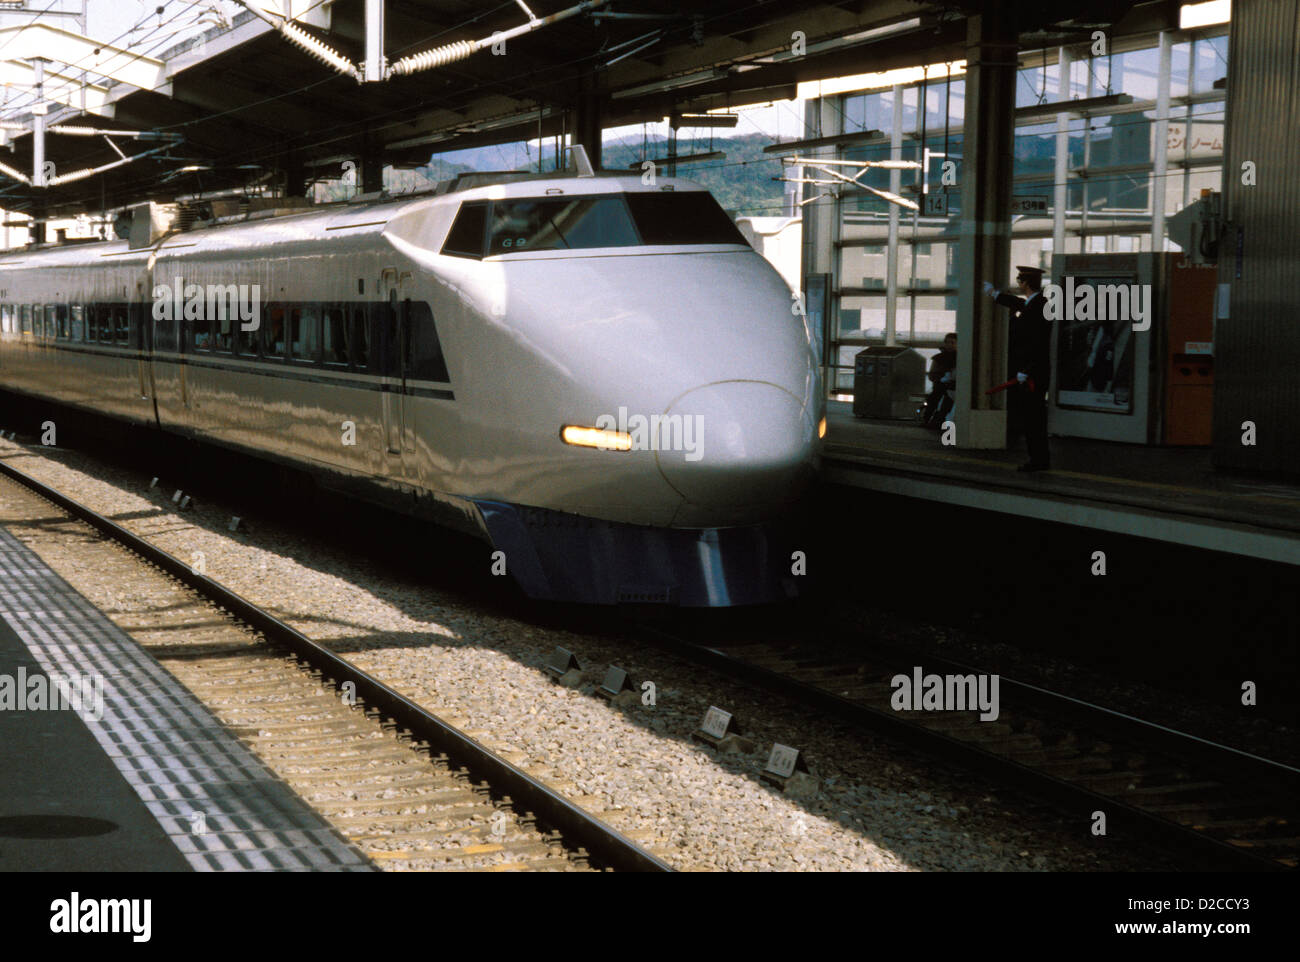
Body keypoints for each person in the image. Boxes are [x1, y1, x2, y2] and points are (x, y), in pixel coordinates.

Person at [983, 265, 1051, 472]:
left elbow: (1035, 343)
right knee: (1033, 417)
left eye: (1019, 281)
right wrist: (995, 294)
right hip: (1034, 371)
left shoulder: (1037, 307)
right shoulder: (1038, 304)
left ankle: (1038, 460)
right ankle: (1038, 458)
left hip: (1032, 373)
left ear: (1024, 283)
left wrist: (1026, 369)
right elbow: (1020, 303)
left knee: (1033, 418)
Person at [923, 332, 957, 428]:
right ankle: (936, 421)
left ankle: (931, 420)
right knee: (940, 402)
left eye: (952, 343)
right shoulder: (961, 358)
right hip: (946, 386)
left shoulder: (939, 358)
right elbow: (932, 375)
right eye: (948, 342)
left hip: (941, 386)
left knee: (935, 401)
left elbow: (932, 375)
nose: (949, 345)